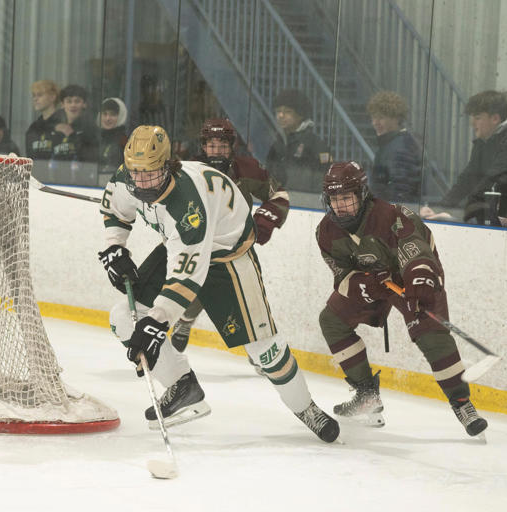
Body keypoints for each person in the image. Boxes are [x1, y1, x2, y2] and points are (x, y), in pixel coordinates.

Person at [98, 125, 340, 443]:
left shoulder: (188, 205)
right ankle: (182, 386)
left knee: (264, 350)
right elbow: (116, 211)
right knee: (125, 317)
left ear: (168, 165)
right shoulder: (129, 176)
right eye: (136, 174)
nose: (141, 183)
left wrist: (156, 324)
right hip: (183, 245)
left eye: (150, 174)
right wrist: (115, 247)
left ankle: (305, 407)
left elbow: (187, 277)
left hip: (229, 257)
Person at [316, 161, 488, 437]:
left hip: (414, 277)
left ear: (362, 194)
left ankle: (462, 404)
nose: (341, 206)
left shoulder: (392, 216)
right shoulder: (326, 232)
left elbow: (414, 248)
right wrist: (365, 285)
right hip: (375, 283)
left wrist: (419, 277)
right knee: (332, 320)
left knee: (430, 333)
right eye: (334, 199)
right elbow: (341, 275)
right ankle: (366, 396)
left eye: (347, 197)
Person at [170, 118, 290, 353]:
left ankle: (260, 351)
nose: (217, 150)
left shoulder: (246, 168)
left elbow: (279, 194)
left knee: (251, 297)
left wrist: (262, 223)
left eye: (222, 145)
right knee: (200, 285)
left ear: (231, 146)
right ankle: (184, 320)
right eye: (212, 144)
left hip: (238, 245)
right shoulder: (188, 170)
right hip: (200, 244)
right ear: (203, 146)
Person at [423, 90, 507, 223]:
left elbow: (495, 180)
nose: (472, 123)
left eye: (477, 118)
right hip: (494, 218)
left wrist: (464, 214)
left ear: (495, 118)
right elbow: (467, 179)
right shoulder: (484, 141)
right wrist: (440, 208)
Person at [266, 89, 331, 192]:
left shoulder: (315, 144)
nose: (281, 115)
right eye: (278, 111)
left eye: (288, 111)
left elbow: (323, 181)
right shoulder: (277, 143)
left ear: (300, 115)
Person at [366, 91, 423, 206]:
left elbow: (400, 193)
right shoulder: (390, 144)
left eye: (380, 118)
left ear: (396, 118)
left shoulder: (401, 148)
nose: (375, 123)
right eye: (373, 117)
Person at [48, 84, 98, 163]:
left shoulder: (90, 128)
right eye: (69, 101)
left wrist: (72, 135)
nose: (73, 105)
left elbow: (91, 158)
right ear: (62, 105)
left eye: (77, 101)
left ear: (84, 104)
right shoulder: (55, 128)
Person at [25, 79, 61, 159]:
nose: (35, 99)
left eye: (40, 95)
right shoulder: (33, 128)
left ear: (52, 97)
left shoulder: (63, 124)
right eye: (34, 95)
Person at [97, 97, 128, 174]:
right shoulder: (95, 137)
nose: (108, 118)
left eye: (113, 114)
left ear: (121, 116)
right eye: (104, 114)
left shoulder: (124, 140)